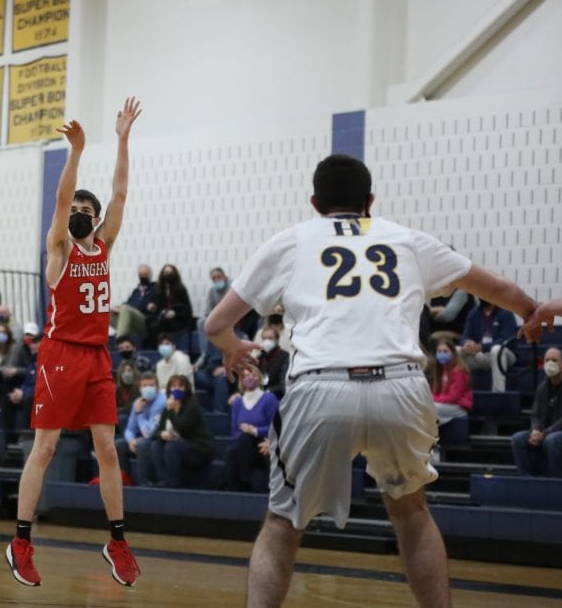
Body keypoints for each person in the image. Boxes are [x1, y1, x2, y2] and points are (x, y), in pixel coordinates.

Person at [205, 153, 540, 608]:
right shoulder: (405, 238)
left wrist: (232, 347)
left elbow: (215, 324)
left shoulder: (292, 241)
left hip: (321, 386)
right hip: (400, 385)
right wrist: (531, 314)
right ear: (370, 200)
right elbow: (499, 289)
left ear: (314, 202)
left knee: (282, 524)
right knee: (412, 513)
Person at [6, 97, 142, 589]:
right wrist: (77, 153)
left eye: (89, 210)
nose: (81, 213)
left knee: (107, 448)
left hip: (96, 356)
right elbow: (61, 203)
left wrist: (123, 139)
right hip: (60, 354)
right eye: (78, 209)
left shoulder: (104, 245)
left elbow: (121, 192)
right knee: (45, 447)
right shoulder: (59, 250)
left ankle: (117, 540)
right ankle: (21, 540)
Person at [510, 347, 562, 478]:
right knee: (518, 439)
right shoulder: (543, 387)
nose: (550, 363)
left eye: (554, 360)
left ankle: (559, 480)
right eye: (547, 360)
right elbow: (535, 413)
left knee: (552, 440)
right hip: (546, 432)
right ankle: (527, 479)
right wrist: (535, 430)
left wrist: (545, 433)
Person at [137, 374, 215, 487]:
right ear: (169, 389)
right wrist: (162, 434)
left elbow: (181, 428)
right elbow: (155, 432)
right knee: (156, 445)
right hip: (179, 446)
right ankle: (164, 480)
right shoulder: (167, 407)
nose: (176, 389)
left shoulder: (192, 406)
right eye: (173, 386)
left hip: (197, 449)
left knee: (171, 446)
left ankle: (174, 484)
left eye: (180, 386)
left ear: (186, 389)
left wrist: (171, 411)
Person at [224, 363, 279, 492]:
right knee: (232, 451)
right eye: (246, 375)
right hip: (245, 444)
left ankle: (246, 479)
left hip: (265, 442)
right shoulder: (238, 403)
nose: (249, 378)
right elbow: (235, 430)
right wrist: (247, 433)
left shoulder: (269, 399)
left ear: (258, 378)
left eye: (252, 375)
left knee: (246, 439)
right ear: (241, 380)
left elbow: (275, 426)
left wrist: (254, 431)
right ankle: (236, 488)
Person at [458, 299, 517, 392]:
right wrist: (467, 343)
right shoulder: (473, 313)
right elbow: (465, 335)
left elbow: (507, 341)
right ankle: (456, 392)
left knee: (497, 349)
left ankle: (498, 393)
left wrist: (481, 346)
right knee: (456, 350)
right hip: (480, 355)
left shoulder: (506, 313)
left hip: (505, 355)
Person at [115, 372, 165, 478]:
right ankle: (124, 479)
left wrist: (139, 413)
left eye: (151, 385)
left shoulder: (161, 402)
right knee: (119, 445)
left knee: (142, 445)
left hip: (158, 438)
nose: (148, 388)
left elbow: (149, 433)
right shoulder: (138, 402)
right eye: (144, 386)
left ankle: (146, 483)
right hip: (142, 438)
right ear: (140, 389)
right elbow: (129, 429)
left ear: (157, 387)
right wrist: (131, 440)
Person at [1, 324, 42, 439]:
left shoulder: (47, 362)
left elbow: (42, 384)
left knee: (29, 399)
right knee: (8, 399)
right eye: (32, 348)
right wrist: (20, 391)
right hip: (28, 392)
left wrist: (23, 392)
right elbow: (28, 380)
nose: (33, 349)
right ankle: (9, 438)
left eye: (36, 347)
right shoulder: (33, 363)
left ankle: (28, 437)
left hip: (40, 395)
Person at [145, 264, 194, 350]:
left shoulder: (181, 289)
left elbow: (187, 309)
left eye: (170, 272)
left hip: (177, 319)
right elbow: (155, 305)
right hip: (162, 319)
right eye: (166, 272)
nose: (168, 275)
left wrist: (175, 313)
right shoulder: (158, 289)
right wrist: (152, 306)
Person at [430, 340, 472, 426]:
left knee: (431, 408)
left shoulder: (459, 371)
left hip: (459, 407)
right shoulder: (439, 370)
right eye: (439, 351)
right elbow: (435, 392)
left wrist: (431, 399)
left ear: (453, 353)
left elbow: (453, 398)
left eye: (445, 351)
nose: (442, 354)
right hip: (444, 405)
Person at [111, 264, 156, 342]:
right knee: (108, 312)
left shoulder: (155, 288)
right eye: (141, 275)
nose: (143, 277)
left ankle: (120, 339)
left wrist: (124, 308)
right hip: (132, 319)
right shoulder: (136, 291)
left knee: (125, 308)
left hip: (145, 321)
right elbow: (128, 303)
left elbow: (146, 306)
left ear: (150, 275)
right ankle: (121, 332)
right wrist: (118, 308)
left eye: (145, 275)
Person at [255, 326, 290, 398]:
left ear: (277, 340)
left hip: (277, 396)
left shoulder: (285, 357)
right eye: (264, 338)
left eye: (270, 338)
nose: (267, 341)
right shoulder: (259, 359)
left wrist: (267, 392)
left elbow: (283, 383)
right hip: (259, 395)